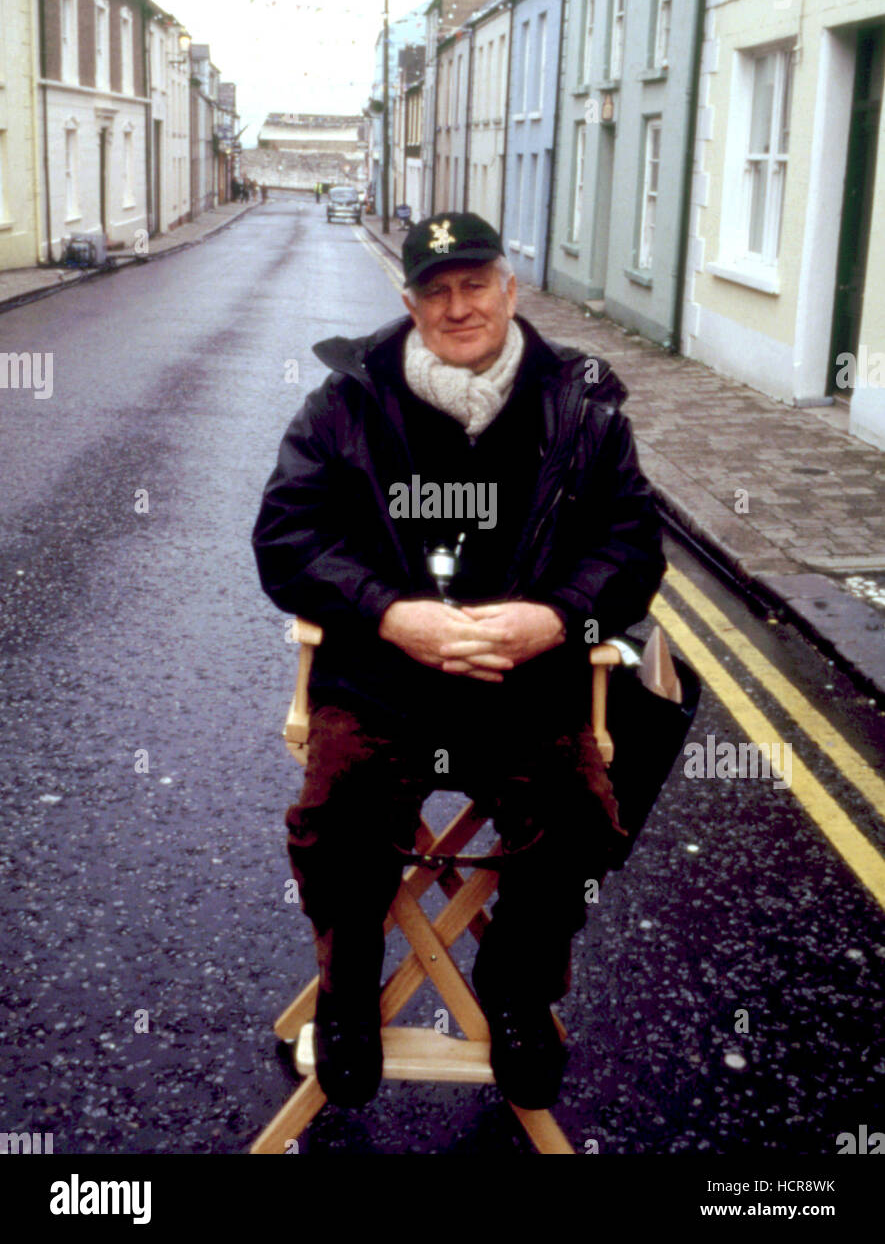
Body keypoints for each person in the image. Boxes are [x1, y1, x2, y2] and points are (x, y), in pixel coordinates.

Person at [251, 212, 666, 1111]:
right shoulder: (346, 401)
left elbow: (631, 547)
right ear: (408, 303)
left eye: (474, 284)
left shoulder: (584, 405)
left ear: (509, 289)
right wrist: (391, 615)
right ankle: (349, 992)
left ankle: (514, 987)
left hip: (528, 685)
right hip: (381, 679)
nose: (458, 305)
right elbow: (286, 540)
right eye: (436, 291)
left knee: (579, 820)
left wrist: (554, 618)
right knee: (338, 815)